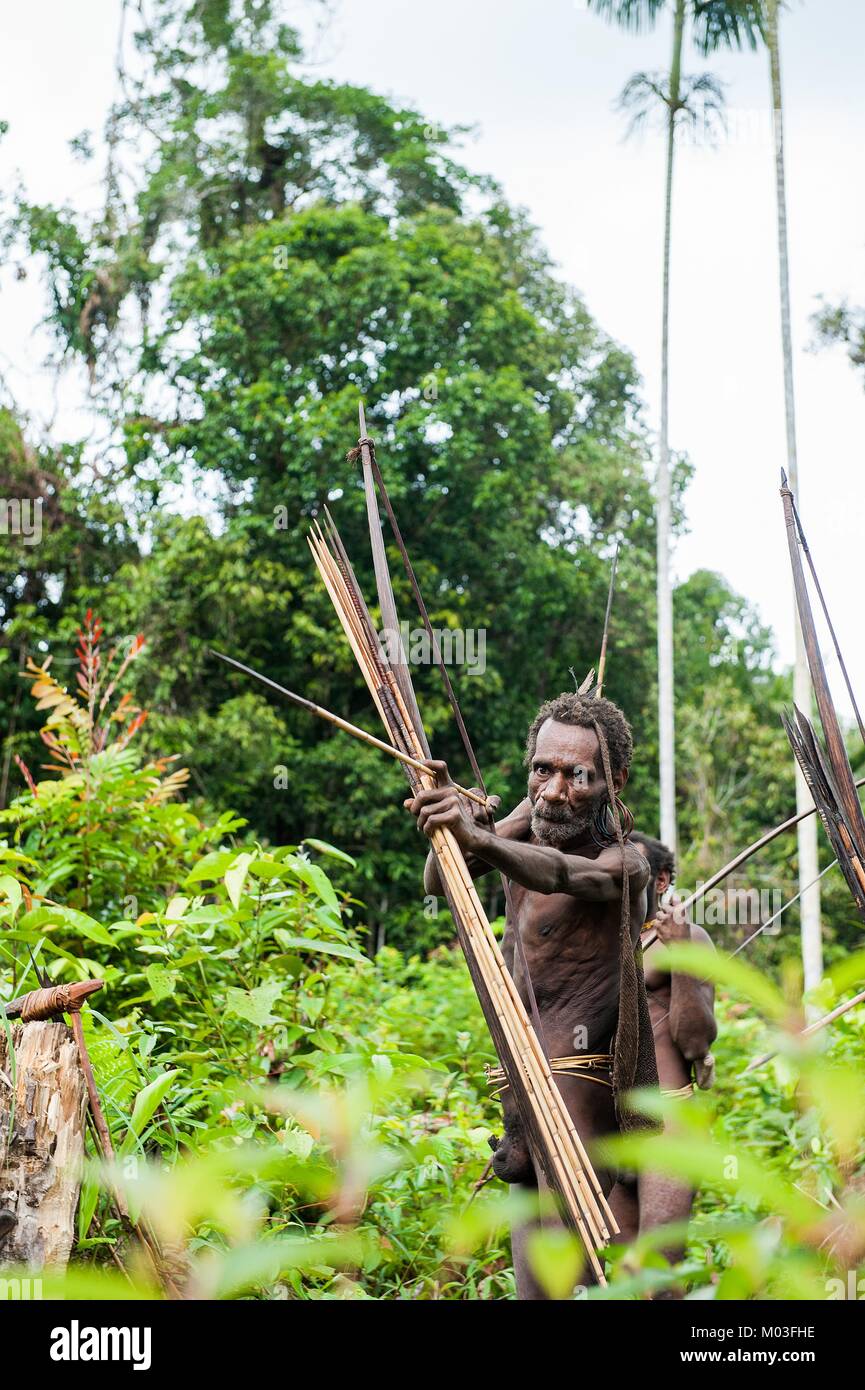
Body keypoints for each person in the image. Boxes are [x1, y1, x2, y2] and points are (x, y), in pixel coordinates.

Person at [405, 691, 657, 1298]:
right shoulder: (534, 816)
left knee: (560, 1287)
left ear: (614, 781)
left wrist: (482, 838)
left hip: (577, 1088)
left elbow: (567, 875)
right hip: (519, 1085)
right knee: (531, 1294)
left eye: (579, 775)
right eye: (542, 769)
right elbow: (441, 880)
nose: (555, 789)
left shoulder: (626, 862)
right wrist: (450, 820)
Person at [607, 831, 717, 1291]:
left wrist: (680, 954)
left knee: (657, 1271)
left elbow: (695, 1041)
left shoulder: (690, 939)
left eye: (635, 871)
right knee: (613, 1266)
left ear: (662, 881)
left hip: (669, 1116)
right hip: (613, 1120)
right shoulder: (606, 941)